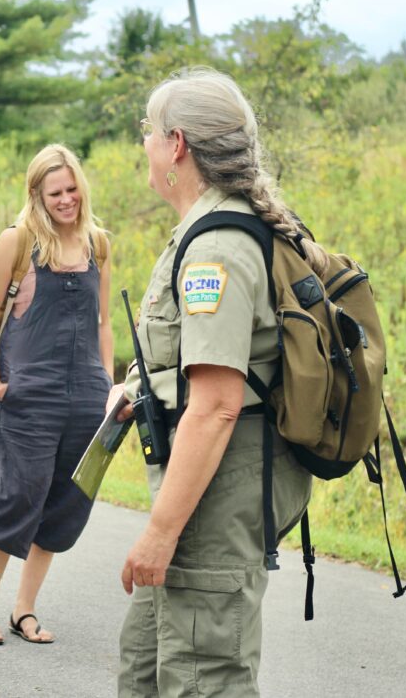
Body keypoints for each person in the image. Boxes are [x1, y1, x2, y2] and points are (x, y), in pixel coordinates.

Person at [116, 67, 314, 696]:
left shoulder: (217, 249)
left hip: (214, 497)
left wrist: (160, 533)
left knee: (204, 678)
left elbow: (217, 406)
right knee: (145, 668)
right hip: (203, 492)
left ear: (177, 145)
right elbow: (202, 365)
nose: (143, 144)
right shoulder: (209, 229)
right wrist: (140, 386)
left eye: (148, 131)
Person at [0, 144, 114, 645]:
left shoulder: (98, 243)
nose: (66, 199)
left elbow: (104, 322)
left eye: (72, 189)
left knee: (63, 504)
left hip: (87, 400)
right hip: (29, 396)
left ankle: (23, 610)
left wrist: (108, 383)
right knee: (19, 496)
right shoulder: (17, 242)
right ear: (37, 194)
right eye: (55, 192)